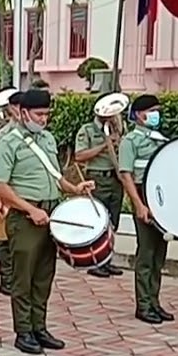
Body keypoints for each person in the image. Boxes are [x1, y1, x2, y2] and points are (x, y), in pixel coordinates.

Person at [0, 88, 95, 355]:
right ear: (23, 113)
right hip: (25, 218)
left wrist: (75, 188)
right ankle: (23, 331)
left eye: (47, 114)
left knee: (44, 275)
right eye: (39, 114)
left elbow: (55, 176)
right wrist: (29, 210)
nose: (43, 119)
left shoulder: (47, 139)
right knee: (23, 277)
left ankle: (40, 326)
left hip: (50, 215)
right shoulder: (9, 142)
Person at [117, 95, 173, 324]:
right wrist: (138, 204)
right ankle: (143, 305)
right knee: (147, 253)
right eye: (151, 110)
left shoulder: (161, 139)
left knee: (160, 253)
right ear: (139, 114)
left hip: (161, 198)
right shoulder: (131, 141)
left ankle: (154, 301)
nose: (155, 114)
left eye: (157, 110)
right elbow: (125, 174)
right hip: (143, 195)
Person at [72, 95, 127, 278]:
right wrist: (105, 144)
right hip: (97, 178)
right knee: (98, 221)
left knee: (113, 221)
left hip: (115, 178)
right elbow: (79, 156)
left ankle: (107, 260)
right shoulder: (87, 130)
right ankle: (95, 261)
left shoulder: (118, 128)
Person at [0, 89, 22, 296]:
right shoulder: (5, 135)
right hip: (7, 191)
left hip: (23, 195)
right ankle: (6, 278)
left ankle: (15, 277)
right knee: (4, 236)